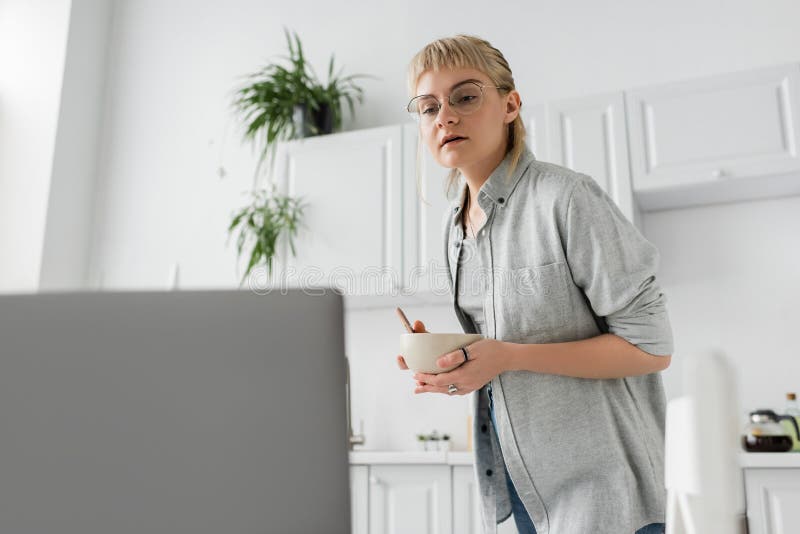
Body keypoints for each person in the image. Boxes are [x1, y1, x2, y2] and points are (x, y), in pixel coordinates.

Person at [396, 34, 672, 534]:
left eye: (465, 96)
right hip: (520, 486)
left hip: (604, 496)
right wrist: (454, 366)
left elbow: (650, 347)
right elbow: (499, 357)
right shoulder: (453, 227)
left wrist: (509, 356)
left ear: (510, 104)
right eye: (428, 106)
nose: (445, 117)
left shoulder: (566, 198)